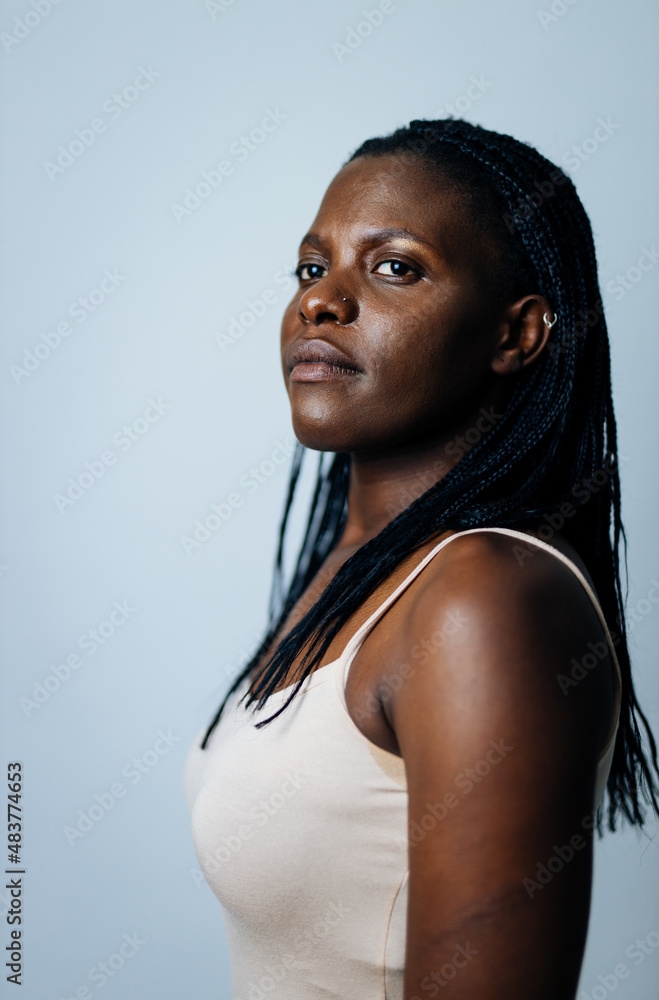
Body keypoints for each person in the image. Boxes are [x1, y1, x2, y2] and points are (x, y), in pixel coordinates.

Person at [184, 118, 659, 1000]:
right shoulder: (358, 565)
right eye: (310, 268)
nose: (320, 302)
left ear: (515, 336)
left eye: (395, 266)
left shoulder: (483, 598)